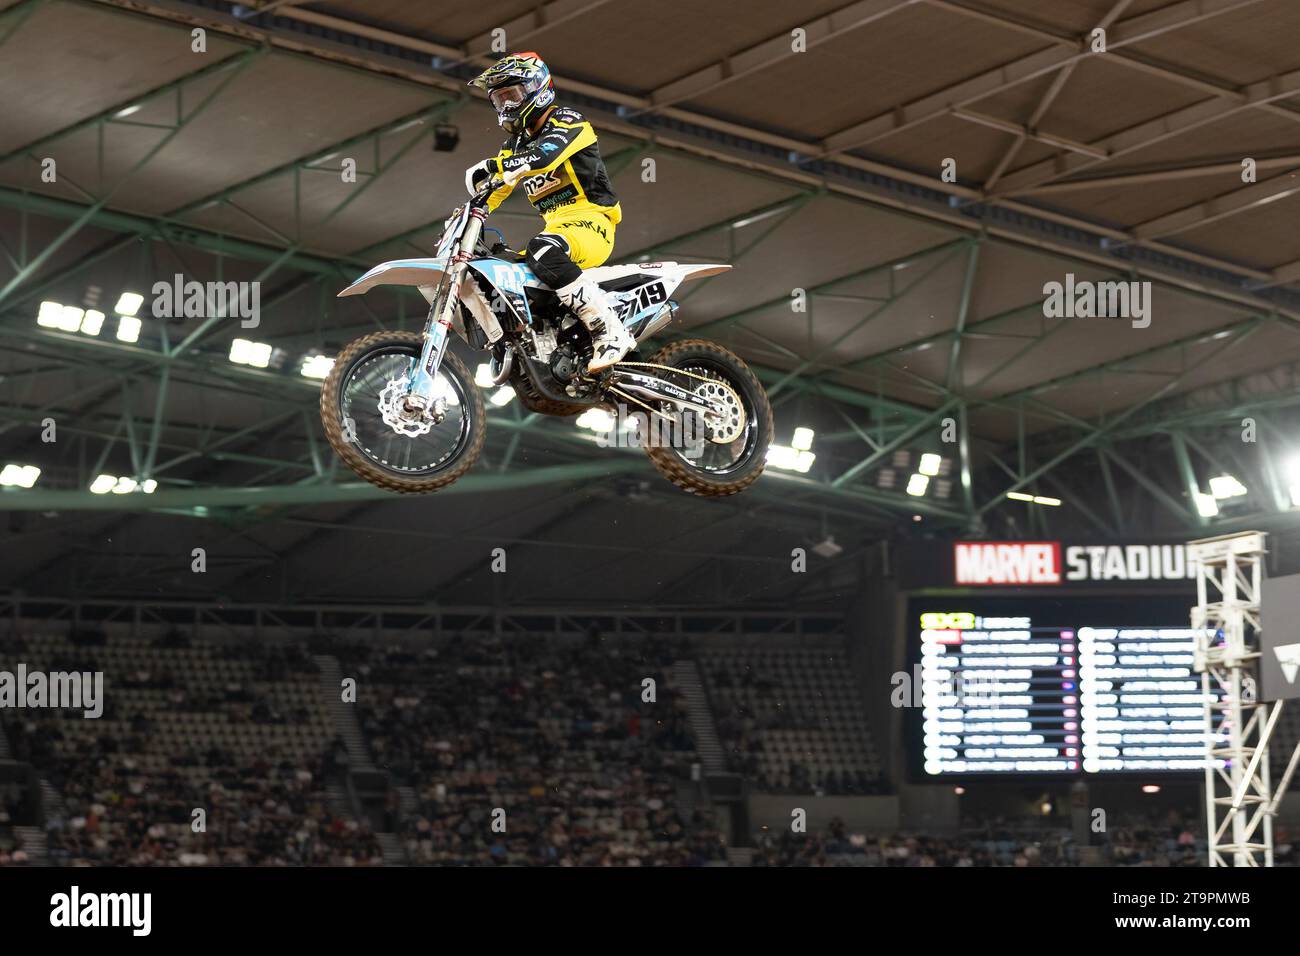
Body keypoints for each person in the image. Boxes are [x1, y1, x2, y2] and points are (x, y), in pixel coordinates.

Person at [464, 52, 635, 372]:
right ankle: (533, 344)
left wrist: (494, 167)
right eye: (499, 101)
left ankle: (608, 329)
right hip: (559, 227)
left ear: (536, 88)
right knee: (499, 270)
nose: (507, 107)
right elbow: (494, 191)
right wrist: (467, 215)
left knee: (541, 251)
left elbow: (544, 156)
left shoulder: (569, 121)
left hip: (593, 220)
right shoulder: (512, 147)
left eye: (512, 96)